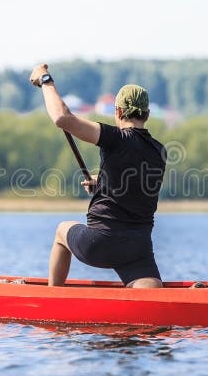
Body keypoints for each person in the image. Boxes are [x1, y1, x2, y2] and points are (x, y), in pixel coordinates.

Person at [29, 63, 166, 288]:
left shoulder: (116, 138)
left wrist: (46, 80)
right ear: (147, 114)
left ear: (118, 112)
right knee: (152, 291)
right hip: (138, 250)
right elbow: (136, 186)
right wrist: (102, 183)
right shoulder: (159, 151)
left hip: (101, 243)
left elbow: (62, 118)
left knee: (62, 230)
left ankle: (53, 297)